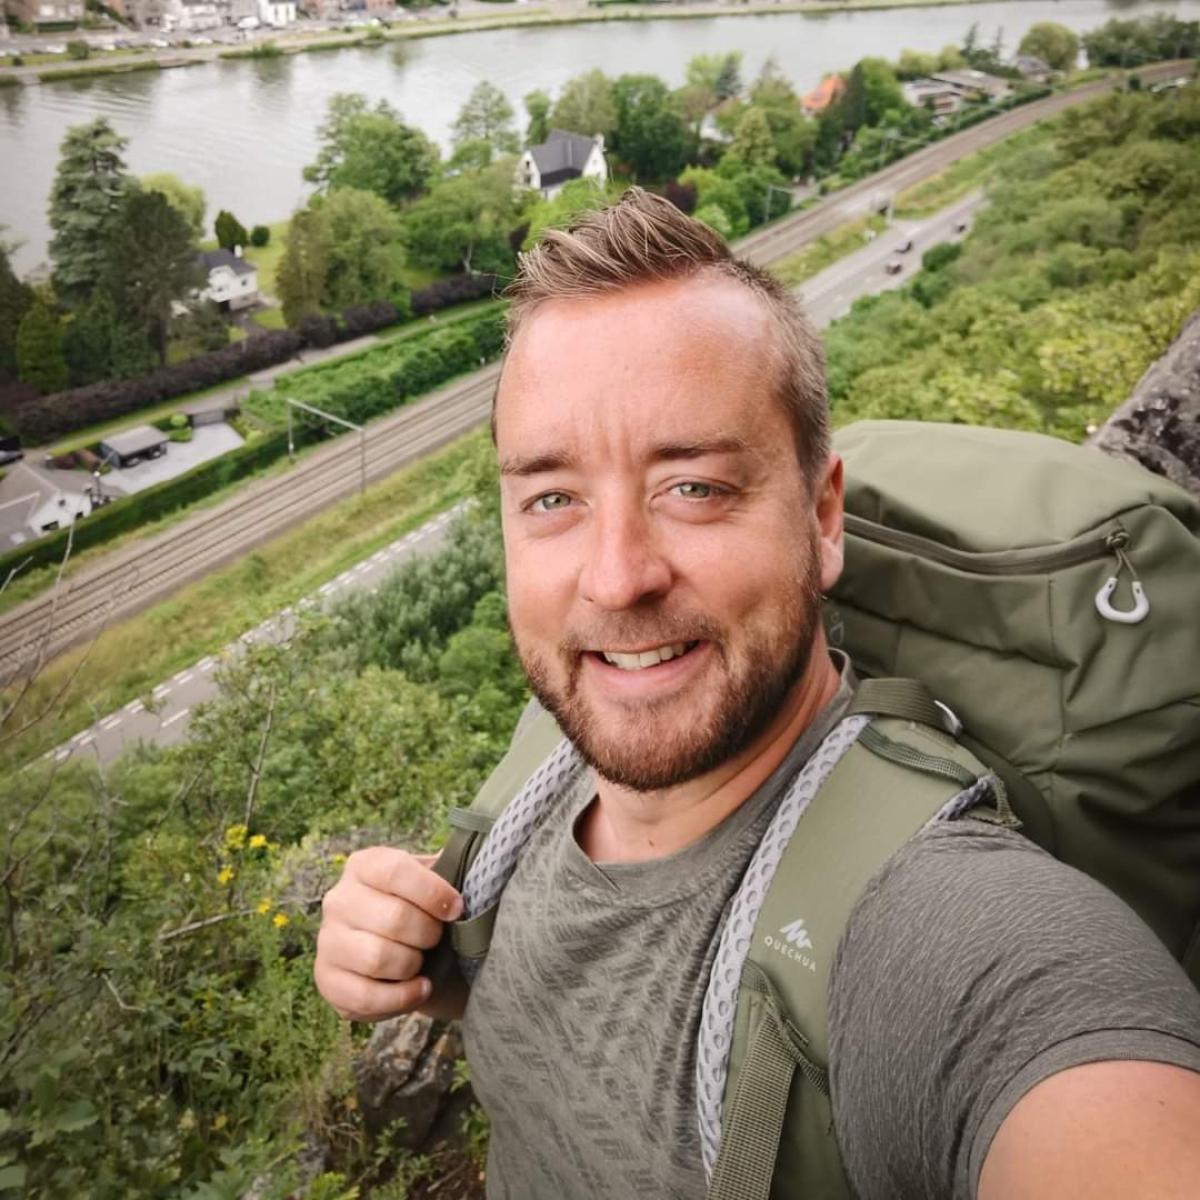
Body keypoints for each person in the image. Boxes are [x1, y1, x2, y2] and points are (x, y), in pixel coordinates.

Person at [314, 188, 1200, 1199]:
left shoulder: (939, 927)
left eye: (693, 487)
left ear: (823, 520)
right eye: (553, 499)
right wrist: (425, 963)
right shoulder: (559, 748)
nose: (615, 579)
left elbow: (1066, 1067)